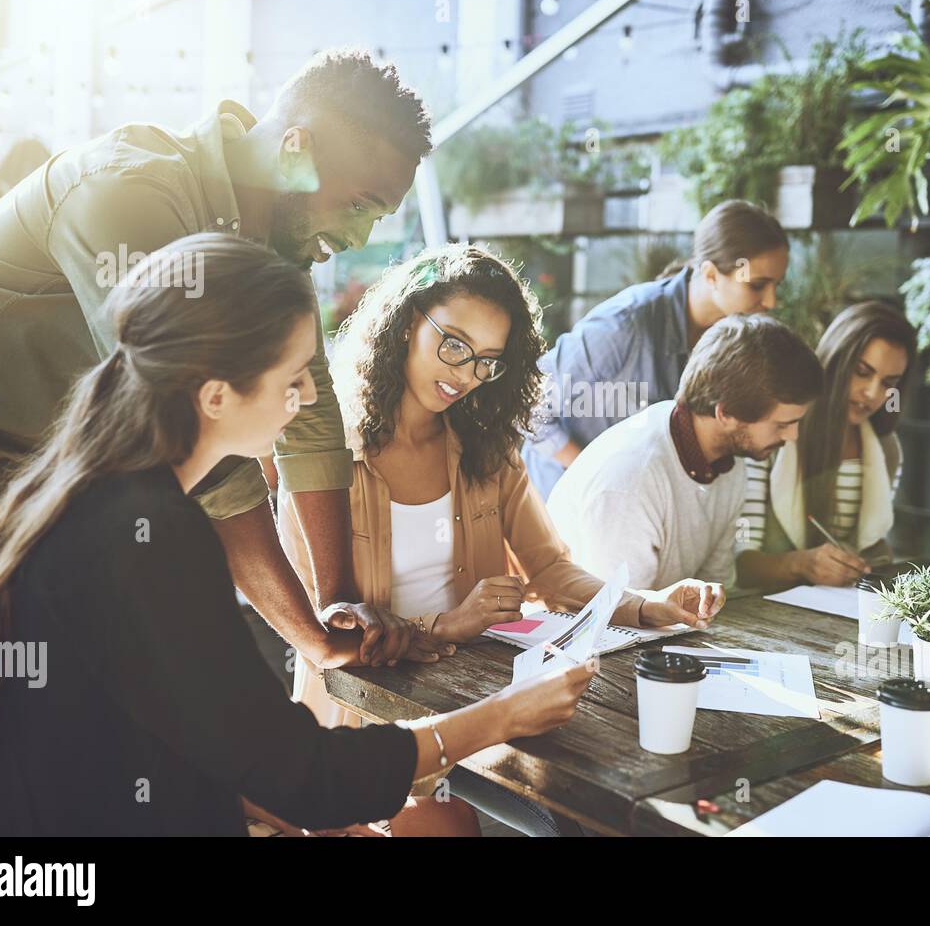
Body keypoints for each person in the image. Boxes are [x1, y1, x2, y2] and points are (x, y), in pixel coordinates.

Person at [0, 235, 594, 836]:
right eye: (292, 377)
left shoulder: (85, 495)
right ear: (217, 395)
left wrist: (261, 801)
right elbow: (300, 770)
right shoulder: (153, 535)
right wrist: (501, 716)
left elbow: (178, 739)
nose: (310, 394)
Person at [0, 47, 432, 674]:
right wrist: (308, 639)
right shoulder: (128, 191)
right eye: (360, 205)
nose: (360, 239)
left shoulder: (277, 240)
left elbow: (309, 418)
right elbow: (189, 426)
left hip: (42, 502)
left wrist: (334, 600)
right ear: (294, 150)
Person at [278, 242, 724, 835]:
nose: (465, 376)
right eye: (454, 346)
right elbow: (323, 627)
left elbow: (554, 573)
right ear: (409, 321)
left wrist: (650, 605)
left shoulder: (486, 450)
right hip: (363, 717)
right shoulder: (325, 457)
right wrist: (449, 624)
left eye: (487, 361)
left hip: (474, 696)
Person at [521, 199, 789, 498]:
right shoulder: (626, 324)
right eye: (757, 285)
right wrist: (591, 472)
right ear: (711, 275)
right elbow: (527, 404)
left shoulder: (728, 340)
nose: (771, 302)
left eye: (777, 285)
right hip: (555, 506)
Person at [547, 314, 822, 591]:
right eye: (783, 425)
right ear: (725, 414)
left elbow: (711, 591)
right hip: (588, 627)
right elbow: (616, 614)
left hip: (657, 627)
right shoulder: (632, 477)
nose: (793, 436)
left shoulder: (730, 464)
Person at [736, 302, 916, 591]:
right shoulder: (776, 432)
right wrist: (801, 565)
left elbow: (873, 548)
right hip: (768, 610)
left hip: (842, 609)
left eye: (888, 382)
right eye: (861, 371)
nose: (872, 393)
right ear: (835, 361)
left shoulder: (887, 450)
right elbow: (741, 564)